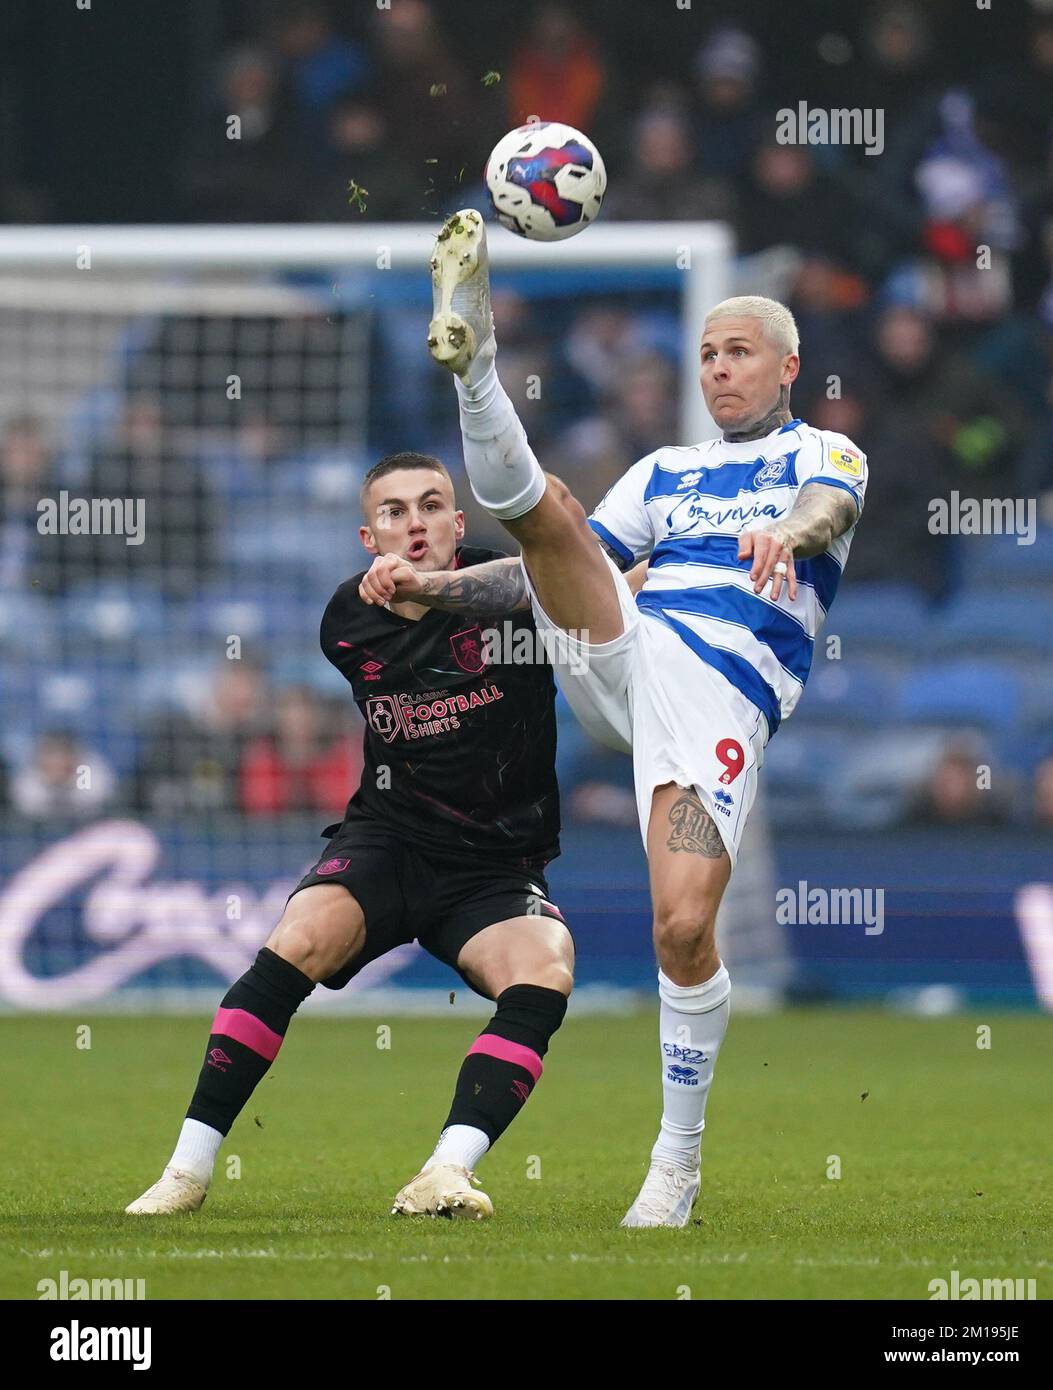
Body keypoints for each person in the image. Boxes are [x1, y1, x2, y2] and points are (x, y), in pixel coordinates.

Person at [426, 209, 867, 1227]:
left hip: (710, 702)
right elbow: (551, 573)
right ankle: (477, 364)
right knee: (553, 522)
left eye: (739, 352)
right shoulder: (663, 470)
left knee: (680, 927)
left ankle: (675, 1163)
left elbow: (828, 514)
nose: (718, 369)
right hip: (622, 649)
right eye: (707, 352)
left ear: (787, 366)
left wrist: (783, 534)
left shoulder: (824, 456)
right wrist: (427, 589)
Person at [125, 453, 580, 1221]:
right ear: (370, 537)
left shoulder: (517, 598)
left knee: (546, 970)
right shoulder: (347, 621)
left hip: (494, 866)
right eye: (395, 513)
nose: (415, 524)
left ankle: (444, 1170)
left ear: (458, 526)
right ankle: (186, 1172)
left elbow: (562, 579)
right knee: (297, 939)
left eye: (432, 506)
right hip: (389, 842)